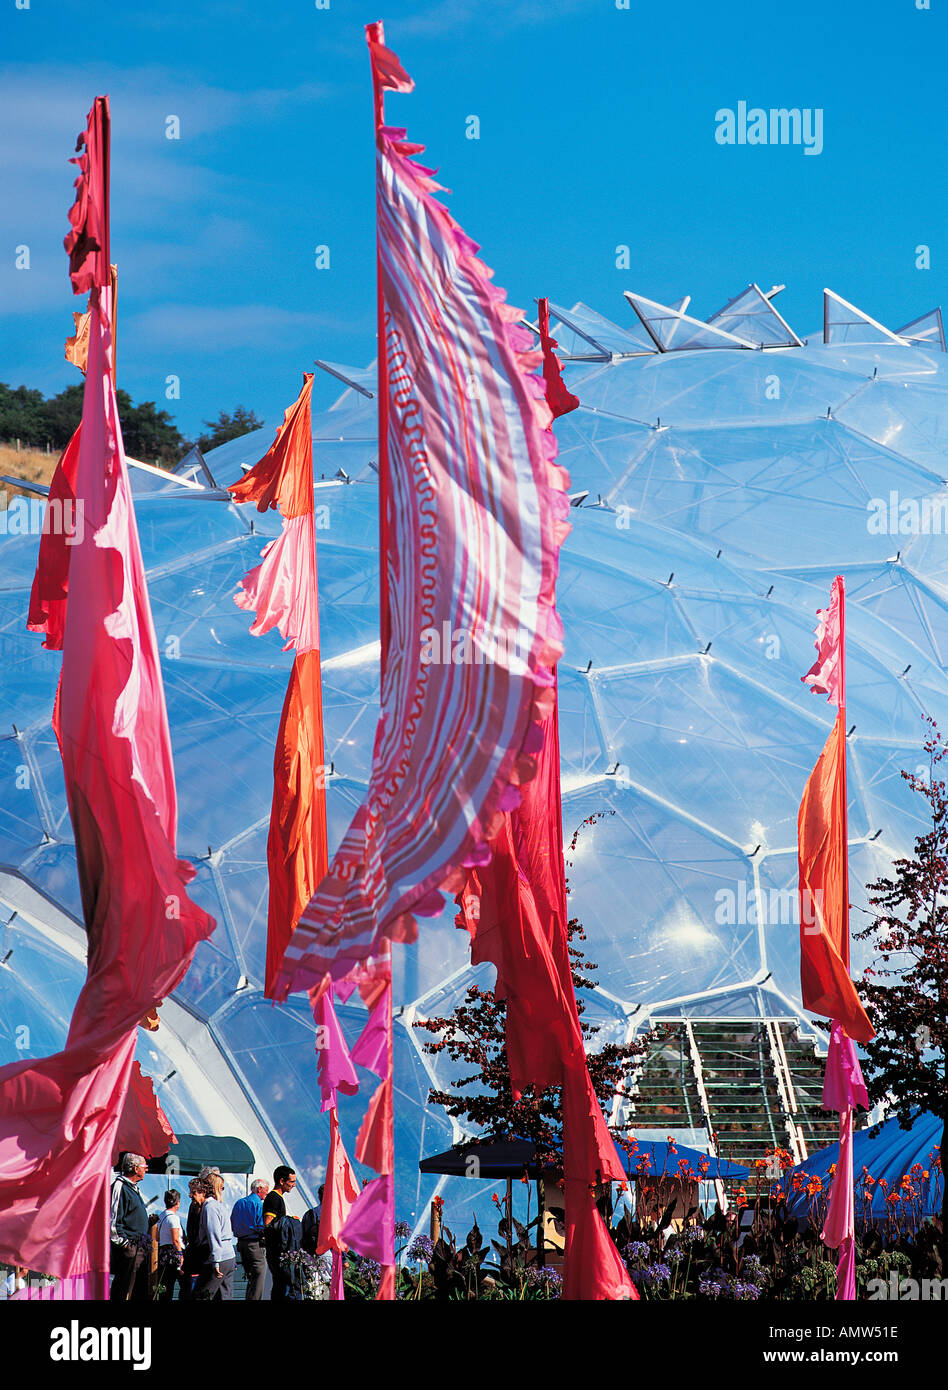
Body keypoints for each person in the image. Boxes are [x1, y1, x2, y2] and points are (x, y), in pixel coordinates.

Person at [109, 1153, 149, 1302]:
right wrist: (126, 1245)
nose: (146, 1169)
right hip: (130, 1248)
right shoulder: (120, 1187)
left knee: (138, 1290)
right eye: (144, 1166)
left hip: (140, 1246)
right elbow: (113, 1220)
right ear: (135, 1168)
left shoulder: (133, 1188)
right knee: (124, 1288)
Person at [192, 1173, 236, 1300]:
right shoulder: (218, 1206)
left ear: (202, 1191)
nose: (191, 1196)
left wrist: (215, 1261)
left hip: (219, 1257)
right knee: (224, 1295)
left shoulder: (209, 1208)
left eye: (193, 1193)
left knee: (202, 1294)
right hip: (229, 1256)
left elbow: (214, 1235)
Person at [262, 1165, 297, 1301]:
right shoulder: (274, 1198)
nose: (293, 1185)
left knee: (281, 1285)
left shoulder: (277, 1198)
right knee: (281, 1285)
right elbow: (268, 1223)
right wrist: (288, 1222)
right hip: (277, 1250)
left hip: (278, 1249)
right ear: (282, 1181)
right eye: (291, 1182)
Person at [231, 1179, 269, 1300]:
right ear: (259, 1189)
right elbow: (261, 1225)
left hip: (241, 1243)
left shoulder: (239, 1203)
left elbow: (232, 1223)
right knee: (259, 1276)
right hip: (254, 1243)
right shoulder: (258, 1204)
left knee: (250, 1276)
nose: (267, 1194)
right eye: (266, 1191)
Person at [154, 1189, 185, 1302]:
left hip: (163, 1253)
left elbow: (157, 1237)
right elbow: (176, 1240)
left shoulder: (161, 1216)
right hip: (173, 1253)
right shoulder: (174, 1218)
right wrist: (181, 1255)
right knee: (184, 1284)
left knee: (166, 1285)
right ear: (177, 1203)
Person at [300, 1185, 323, 1257]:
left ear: (319, 1196)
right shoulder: (333, 1218)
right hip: (323, 1254)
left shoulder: (309, 1214)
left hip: (307, 1253)